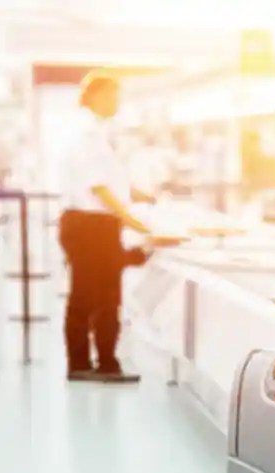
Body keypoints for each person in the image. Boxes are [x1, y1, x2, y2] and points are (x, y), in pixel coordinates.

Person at [58, 71, 162, 383]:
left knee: (101, 297)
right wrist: (131, 219)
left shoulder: (95, 132)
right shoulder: (85, 132)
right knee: (92, 298)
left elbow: (108, 180)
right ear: (96, 95)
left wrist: (140, 196)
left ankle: (101, 362)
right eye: (114, 96)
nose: (118, 103)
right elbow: (97, 186)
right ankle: (90, 364)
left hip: (95, 225)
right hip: (89, 226)